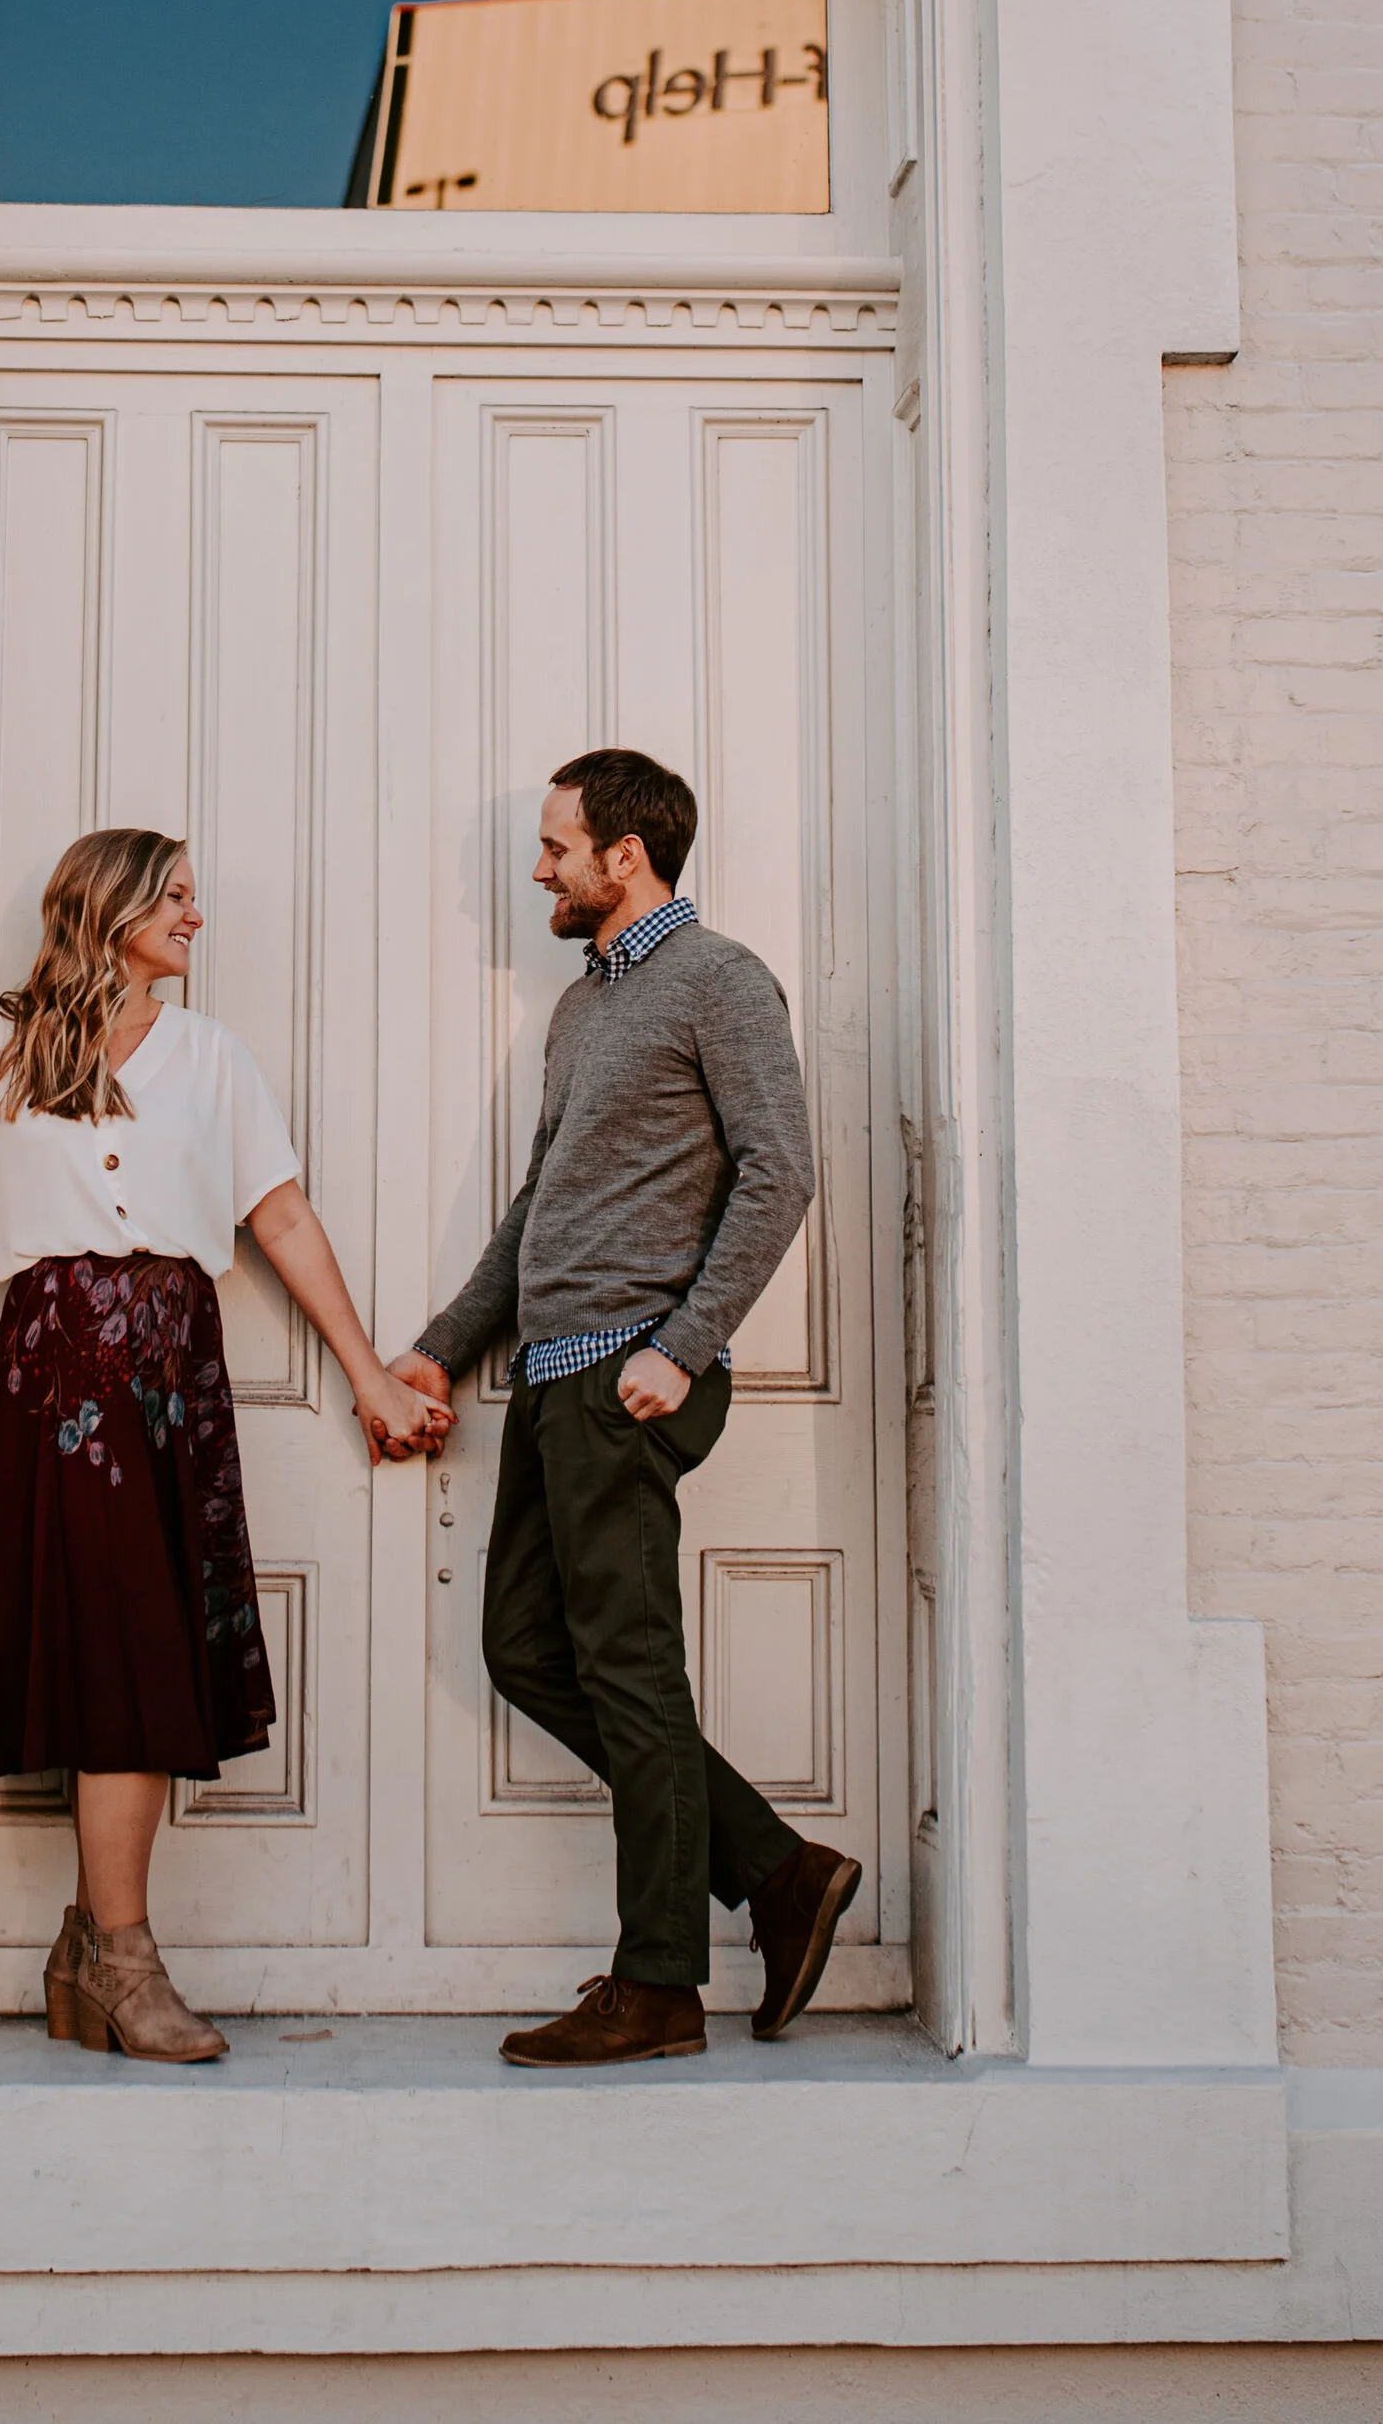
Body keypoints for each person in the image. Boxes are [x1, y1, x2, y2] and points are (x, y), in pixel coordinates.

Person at [0, 824, 446, 2065]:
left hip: (169, 1370)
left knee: (140, 1648)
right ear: (111, 904)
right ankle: (118, 1958)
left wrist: (366, 1376)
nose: (196, 917)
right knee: (116, 1649)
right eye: (175, 896)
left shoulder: (209, 1057)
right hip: (57, 1369)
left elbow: (281, 1215)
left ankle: (97, 1950)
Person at [383, 748, 861, 2068]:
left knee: (632, 1672)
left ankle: (659, 1984)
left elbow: (781, 1172)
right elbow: (541, 1205)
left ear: (625, 854)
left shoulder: (721, 981)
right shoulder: (587, 1009)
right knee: (527, 1649)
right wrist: (443, 1346)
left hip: (626, 1374)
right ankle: (774, 1870)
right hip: (549, 1370)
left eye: (554, 847)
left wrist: (685, 1347)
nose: (536, 870)